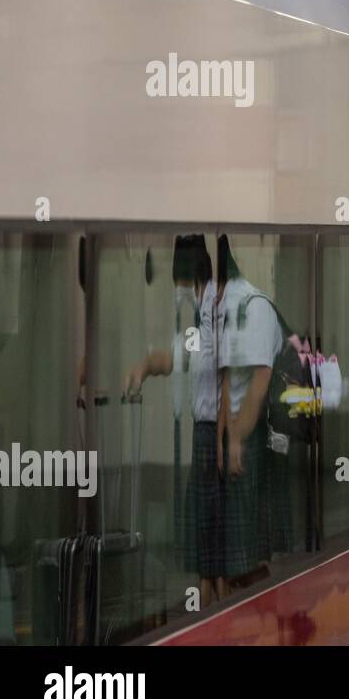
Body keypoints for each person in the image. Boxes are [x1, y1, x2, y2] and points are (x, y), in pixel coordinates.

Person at [123, 235, 226, 603]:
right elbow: (183, 357)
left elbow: (207, 364)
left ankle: (215, 593)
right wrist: (148, 365)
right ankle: (208, 590)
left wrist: (152, 364)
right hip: (206, 428)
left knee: (210, 519)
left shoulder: (213, 308)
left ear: (186, 276)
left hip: (213, 430)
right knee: (203, 518)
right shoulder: (202, 312)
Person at [215, 235, 285, 588]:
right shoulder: (226, 305)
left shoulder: (252, 307)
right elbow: (227, 375)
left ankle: (262, 614)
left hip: (252, 431)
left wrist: (237, 439)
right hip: (237, 429)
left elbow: (260, 379)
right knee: (233, 552)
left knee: (245, 555)